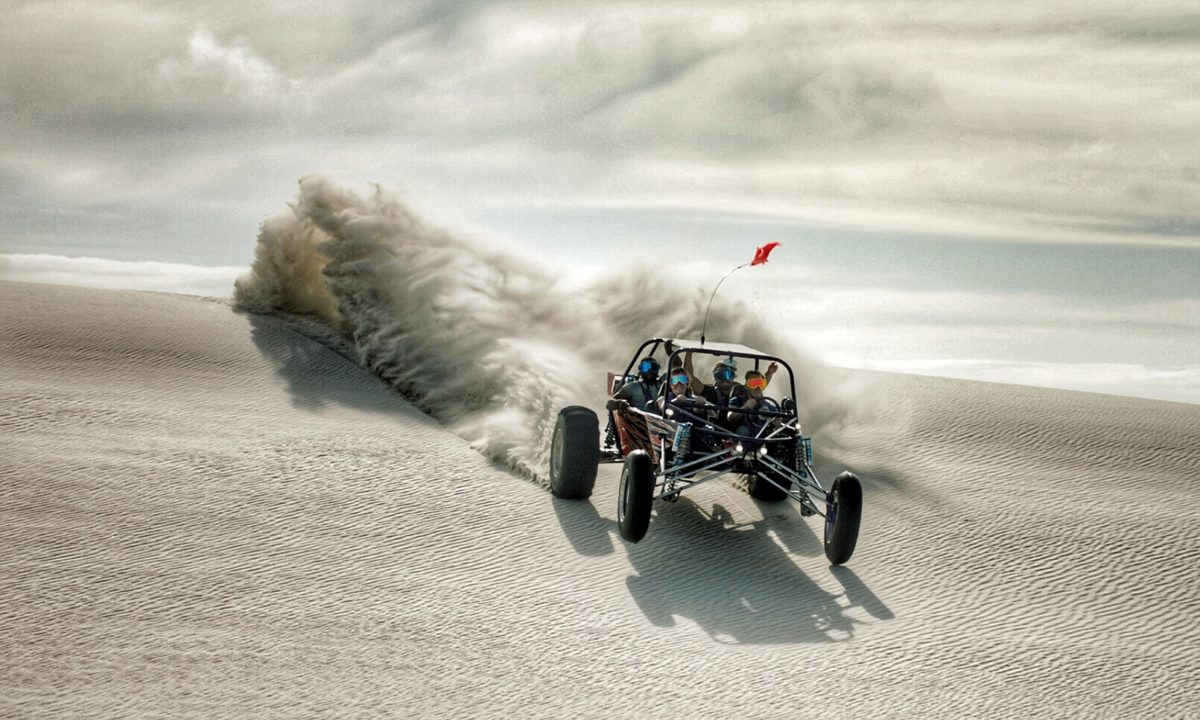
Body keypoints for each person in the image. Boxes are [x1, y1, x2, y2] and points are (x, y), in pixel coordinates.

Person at [727, 369, 781, 436]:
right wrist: (745, 407)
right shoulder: (737, 400)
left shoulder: (771, 408)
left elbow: (769, 433)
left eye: (760, 383)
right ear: (746, 386)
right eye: (753, 384)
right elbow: (730, 418)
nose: (757, 387)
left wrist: (774, 426)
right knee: (743, 430)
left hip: (761, 440)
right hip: (741, 438)